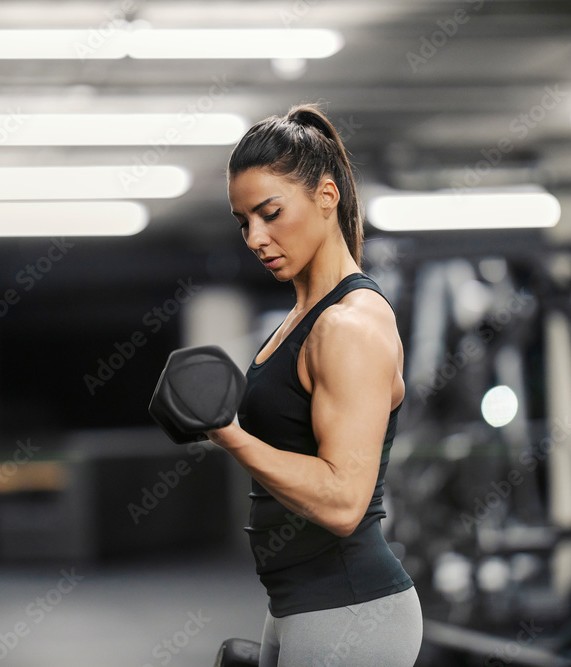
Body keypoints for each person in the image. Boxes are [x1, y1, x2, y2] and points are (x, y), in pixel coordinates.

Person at [205, 103, 423, 666]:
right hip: (297, 603)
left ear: (327, 196)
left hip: (348, 609)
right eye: (244, 222)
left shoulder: (348, 324)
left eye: (270, 213)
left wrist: (229, 434)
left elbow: (344, 501)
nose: (255, 237)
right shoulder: (301, 319)